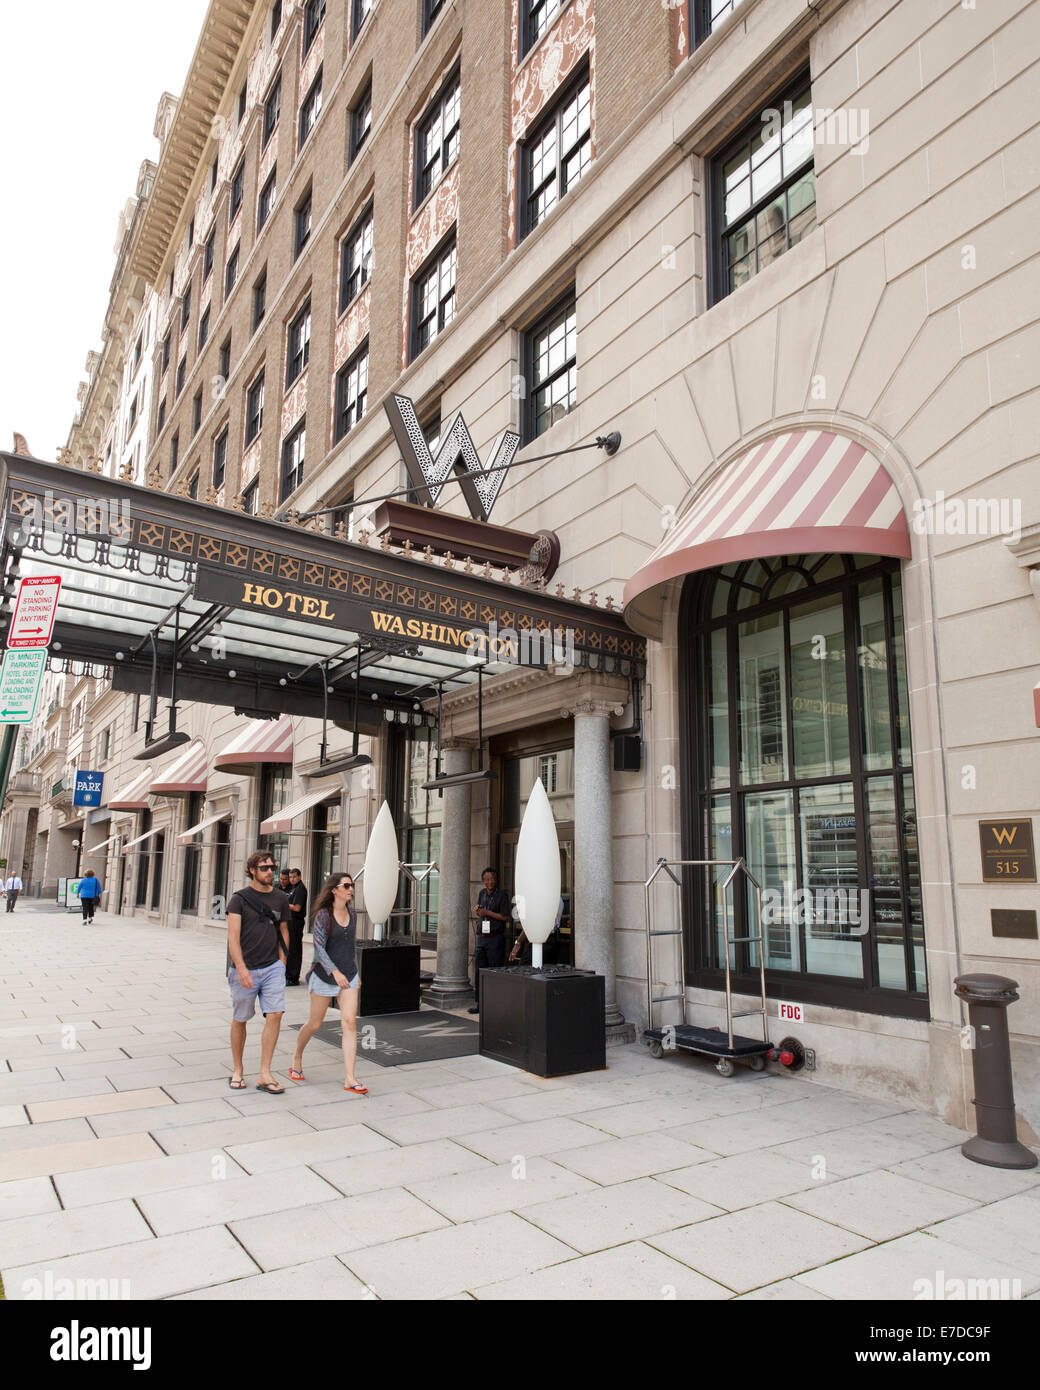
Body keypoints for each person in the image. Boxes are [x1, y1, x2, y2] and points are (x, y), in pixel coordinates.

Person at [289, 872, 368, 1095]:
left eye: (352, 885)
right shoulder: (323, 916)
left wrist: (355, 972)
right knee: (315, 1023)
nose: (351, 889)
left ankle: (350, 1078)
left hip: (349, 975)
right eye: (346, 885)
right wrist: (335, 972)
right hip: (324, 976)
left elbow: (350, 946)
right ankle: (297, 1056)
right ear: (334, 890)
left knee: (349, 1022)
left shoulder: (353, 915)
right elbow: (319, 949)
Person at [226, 850, 290, 1094]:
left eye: (272, 867)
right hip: (246, 968)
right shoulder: (239, 899)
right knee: (240, 1018)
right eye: (264, 867)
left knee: (275, 1015)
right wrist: (241, 968)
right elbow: (232, 937)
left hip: (272, 966)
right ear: (252, 870)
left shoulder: (280, 898)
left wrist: (282, 962)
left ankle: (265, 1072)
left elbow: (284, 930)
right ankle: (238, 1069)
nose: (270, 872)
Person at [468, 867, 511, 1014]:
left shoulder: (502, 896)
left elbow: (505, 917)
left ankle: (495, 1003)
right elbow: (482, 912)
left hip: (495, 938)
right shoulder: (481, 894)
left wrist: (487, 913)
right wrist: (479, 910)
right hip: (482, 937)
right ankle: (480, 1004)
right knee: (480, 971)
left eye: (491, 879)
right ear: (483, 881)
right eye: (486, 879)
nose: (489, 882)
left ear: (496, 880)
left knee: (494, 971)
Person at [509, 895, 565, 966]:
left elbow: (530, 926)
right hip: (553, 939)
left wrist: (518, 942)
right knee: (547, 970)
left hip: (541, 940)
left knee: (526, 968)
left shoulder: (541, 899)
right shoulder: (559, 899)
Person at [285, 867, 308, 985]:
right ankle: (288, 975)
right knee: (289, 949)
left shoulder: (300, 889)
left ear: (299, 876)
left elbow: (297, 907)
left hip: (296, 923)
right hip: (289, 922)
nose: (292, 879)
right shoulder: (293, 888)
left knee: (294, 950)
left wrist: (284, 904)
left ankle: (293, 977)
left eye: (294, 877)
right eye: (290, 877)